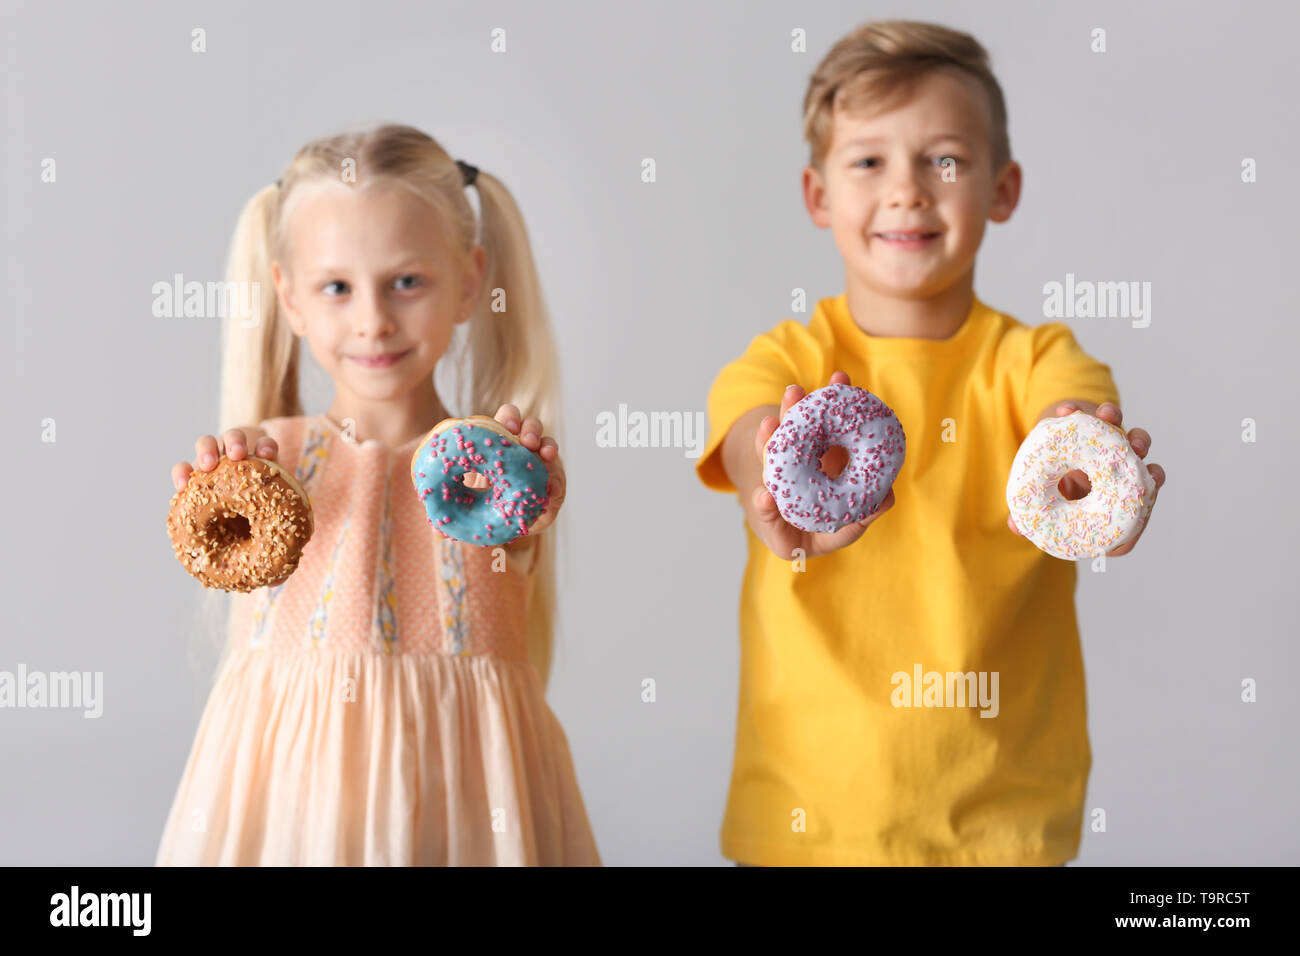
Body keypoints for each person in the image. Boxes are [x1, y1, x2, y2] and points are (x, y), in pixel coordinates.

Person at [695, 21, 1167, 866]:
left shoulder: (1037, 362)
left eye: (944, 160)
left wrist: (1094, 476)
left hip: (1004, 816)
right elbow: (748, 440)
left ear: (1003, 187)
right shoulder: (788, 362)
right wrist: (773, 486)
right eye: (869, 161)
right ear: (818, 196)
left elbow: (1075, 428)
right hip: (809, 811)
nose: (908, 190)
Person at [157, 123, 600, 865]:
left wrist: (532, 498)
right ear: (289, 300)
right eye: (336, 287)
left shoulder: (494, 473)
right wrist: (218, 489)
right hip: (292, 818)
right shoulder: (272, 459)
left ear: (468, 282)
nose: (372, 319)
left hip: (463, 816)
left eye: (406, 281)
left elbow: (517, 535)